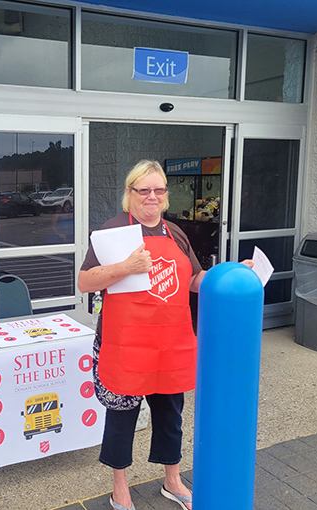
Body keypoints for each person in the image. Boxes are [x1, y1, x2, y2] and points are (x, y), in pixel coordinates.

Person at [78, 160, 251, 510]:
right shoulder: (112, 232)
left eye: (158, 190)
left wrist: (233, 275)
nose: (151, 197)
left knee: (171, 415)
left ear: (167, 195)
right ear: (130, 194)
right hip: (126, 345)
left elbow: (194, 279)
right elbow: (84, 281)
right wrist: (125, 268)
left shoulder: (176, 233)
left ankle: (172, 480)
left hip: (171, 344)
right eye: (143, 190)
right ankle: (120, 487)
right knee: (121, 418)